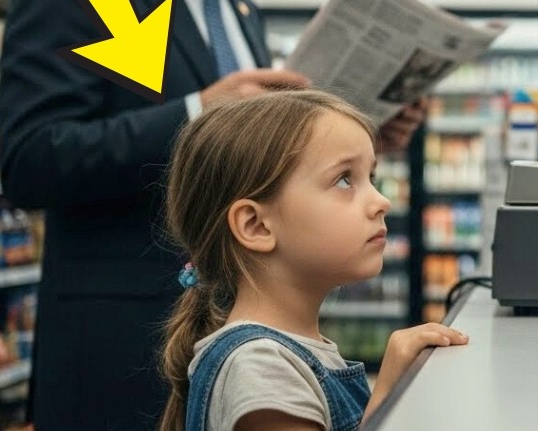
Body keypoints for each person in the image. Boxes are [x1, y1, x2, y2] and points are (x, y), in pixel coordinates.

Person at [0, 0, 424, 429]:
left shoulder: (237, 6)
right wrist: (197, 110)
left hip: (235, 342)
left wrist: (364, 141)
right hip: (119, 348)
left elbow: (249, 167)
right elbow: (31, 159)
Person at [159, 90, 466, 431]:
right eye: (344, 179)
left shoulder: (284, 354)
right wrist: (388, 396)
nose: (381, 202)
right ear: (256, 225)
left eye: (372, 178)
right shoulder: (261, 367)